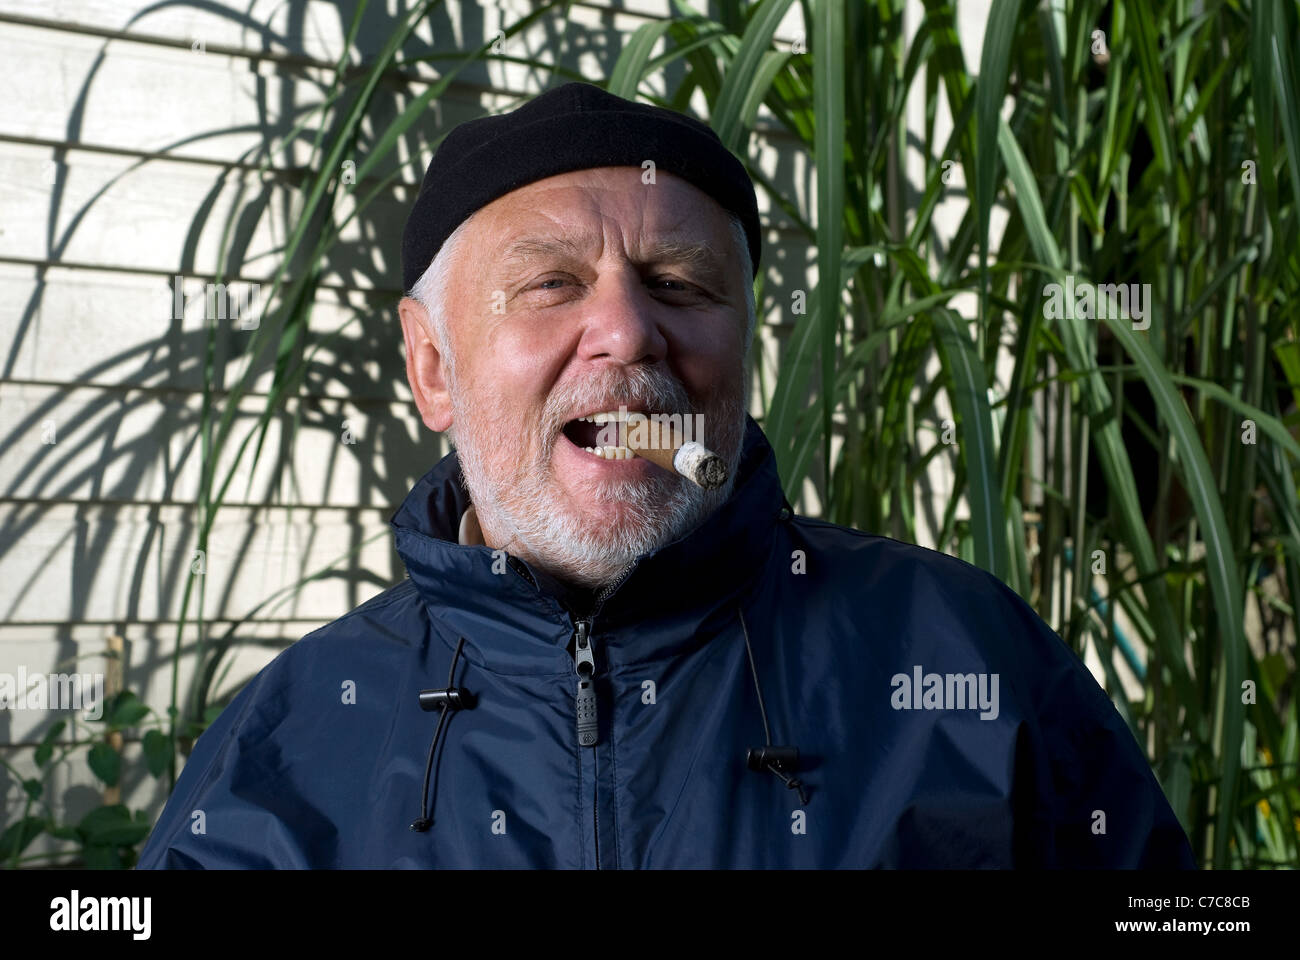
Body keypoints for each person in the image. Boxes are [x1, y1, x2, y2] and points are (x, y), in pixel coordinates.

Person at [137, 82, 1195, 869]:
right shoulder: (288, 738)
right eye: (550, 283)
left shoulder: (974, 662)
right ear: (432, 369)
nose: (627, 332)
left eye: (680, 284)